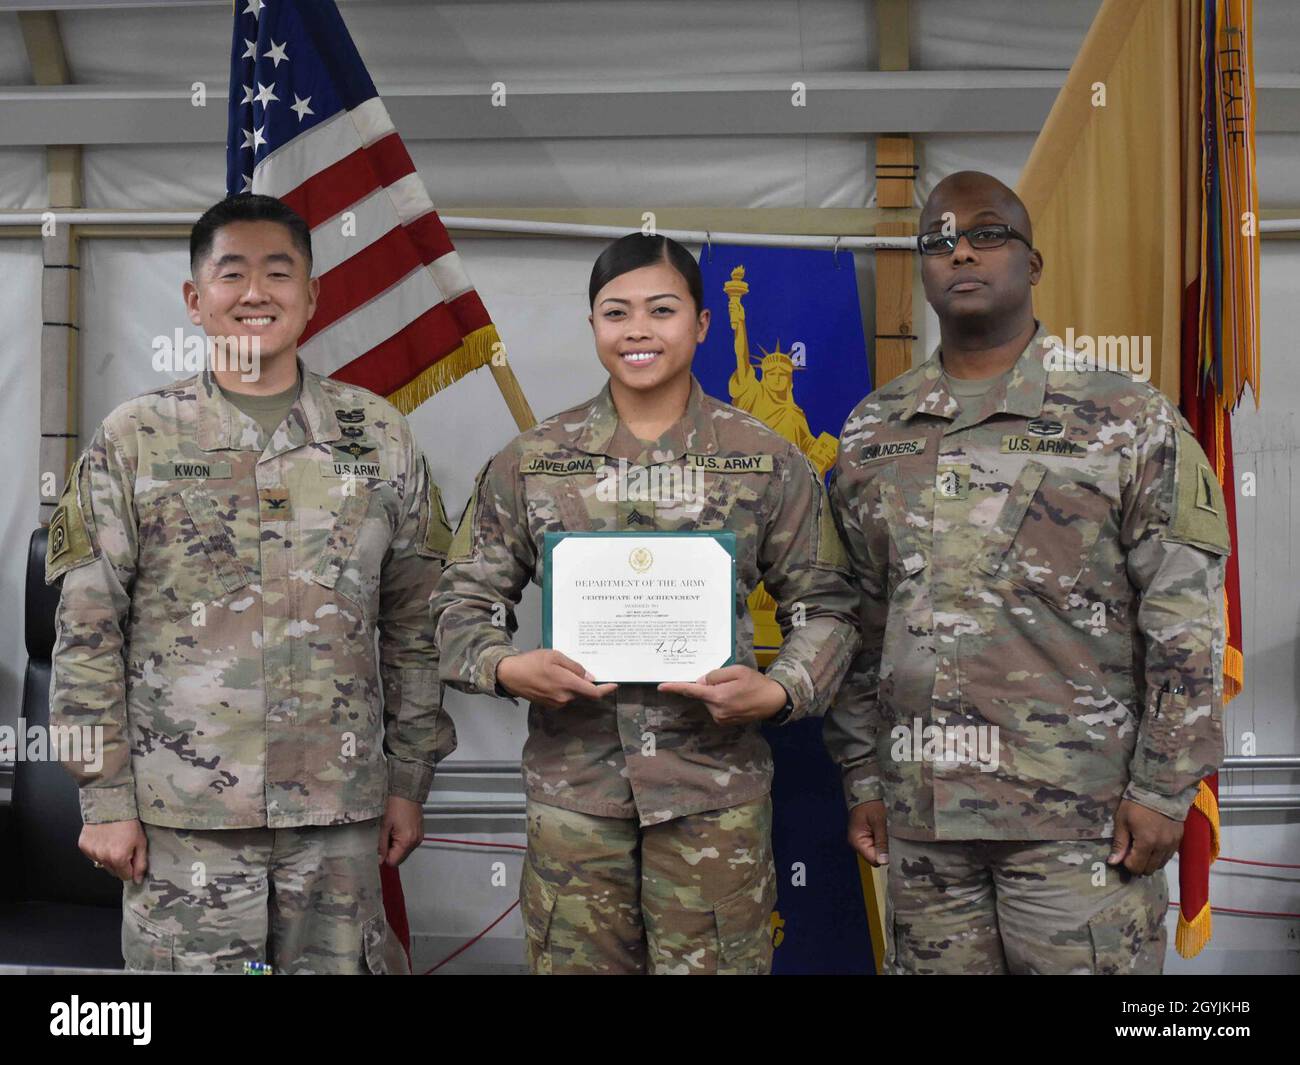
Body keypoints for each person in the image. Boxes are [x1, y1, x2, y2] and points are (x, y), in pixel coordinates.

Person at [824, 171, 1229, 975]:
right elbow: (855, 619)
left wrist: (1161, 788)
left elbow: (1186, 622)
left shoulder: (1125, 416)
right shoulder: (875, 429)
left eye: (986, 233)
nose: (961, 250)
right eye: (937, 241)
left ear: (1033, 262)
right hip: (925, 821)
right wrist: (862, 773)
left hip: (1079, 818)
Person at [45, 193, 456, 973]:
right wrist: (101, 798)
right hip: (184, 822)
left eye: (279, 271)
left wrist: (410, 779)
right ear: (196, 301)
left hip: (338, 819)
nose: (256, 292)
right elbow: (87, 630)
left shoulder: (378, 436)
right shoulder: (134, 438)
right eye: (232, 273)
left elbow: (415, 627)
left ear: (312, 296)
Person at [432, 233, 858, 974]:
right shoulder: (532, 460)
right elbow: (459, 602)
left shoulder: (764, 457)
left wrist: (781, 687)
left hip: (713, 797)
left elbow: (827, 604)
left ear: (699, 323)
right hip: (576, 799)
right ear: (592, 326)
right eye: (615, 311)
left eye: (661, 310)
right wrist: (506, 668)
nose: (637, 330)